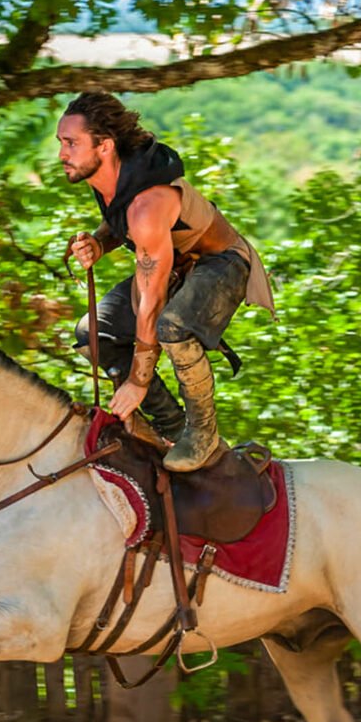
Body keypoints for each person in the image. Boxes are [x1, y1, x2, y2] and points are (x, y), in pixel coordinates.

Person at [59, 92, 274, 471]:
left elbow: (152, 299)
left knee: (172, 327)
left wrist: (138, 381)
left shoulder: (149, 203)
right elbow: (119, 220)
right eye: (62, 143)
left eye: (71, 143)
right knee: (94, 332)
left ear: (104, 146)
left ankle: (203, 434)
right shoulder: (108, 178)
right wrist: (100, 242)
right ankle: (170, 429)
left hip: (221, 263)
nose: (62, 154)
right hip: (176, 266)